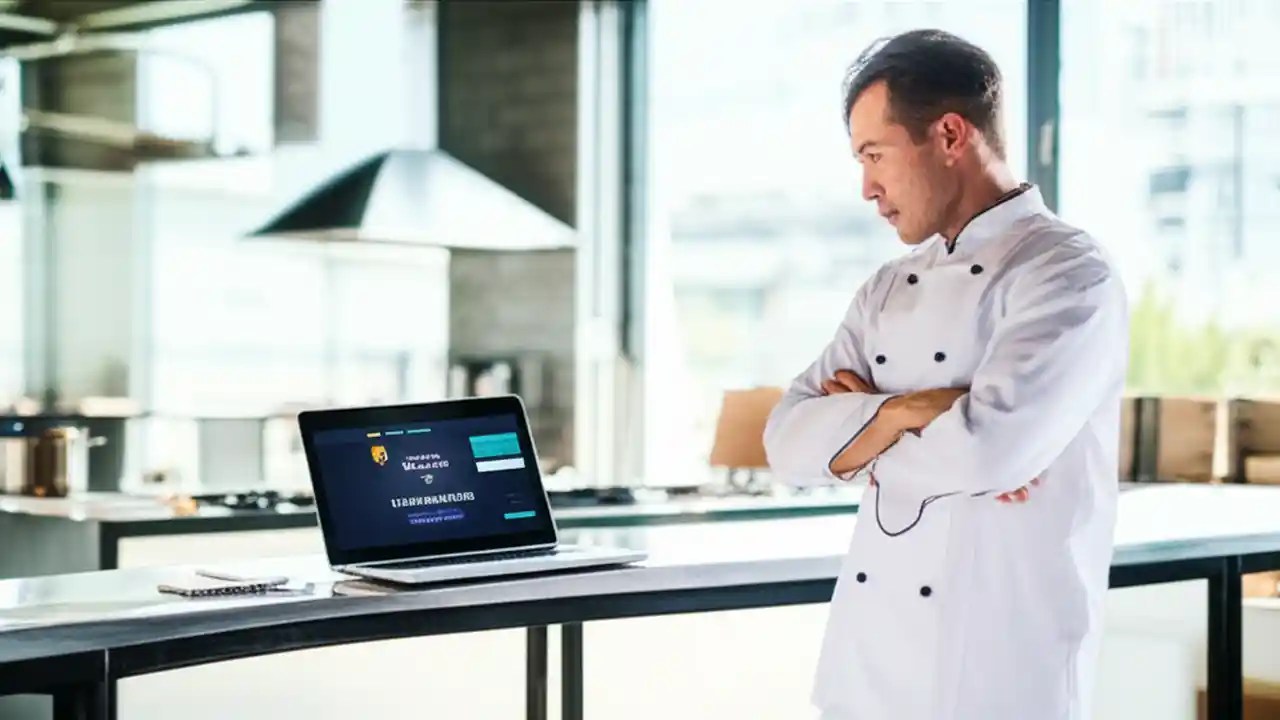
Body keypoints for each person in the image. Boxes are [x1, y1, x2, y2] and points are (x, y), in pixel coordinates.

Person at [762, 29, 1129, 720]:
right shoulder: (886, 286)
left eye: (875, 155)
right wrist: (909, 413)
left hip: (999, 673)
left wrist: (860, 437)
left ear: (951, 134)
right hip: (865, 675)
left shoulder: (1069, 274)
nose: (866, 187)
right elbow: (785, 442)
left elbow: (989, 448)